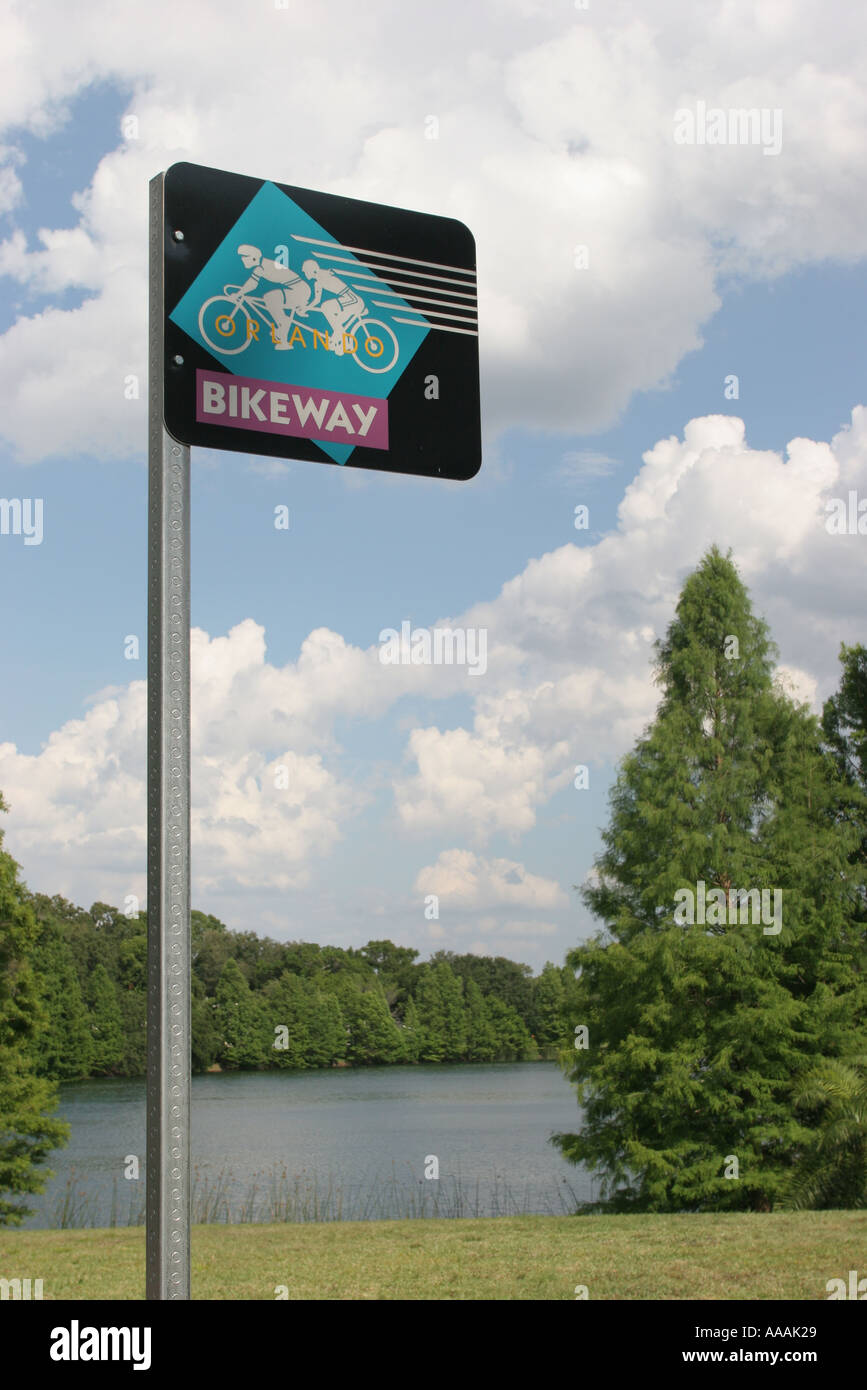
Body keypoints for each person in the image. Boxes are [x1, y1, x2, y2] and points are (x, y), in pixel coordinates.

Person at [233, 245, 311, 349]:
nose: (243, 260)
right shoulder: (262, 266)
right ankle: (282, 325)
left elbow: (252, 284)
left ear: (254, 258)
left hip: (301, 290)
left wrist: (238, 294)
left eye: (244, 257)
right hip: (298, 290)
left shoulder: (264, 266)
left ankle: (283, 331)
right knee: (271, 298)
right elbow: (252, 283)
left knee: (271, 297)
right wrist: (240, 292)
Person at [301, 259, 367, 354]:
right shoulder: (318, 282)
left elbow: (329, 272)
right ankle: (343, 342)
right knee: (336, 322)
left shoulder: (323, 275)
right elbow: (317, 300)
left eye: (305, 270)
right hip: (348, 302)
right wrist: (305, 308)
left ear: (311, 269)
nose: (304, 272)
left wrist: (328, 272)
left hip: (354, 301)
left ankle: (339, 342)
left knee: (326, 307)